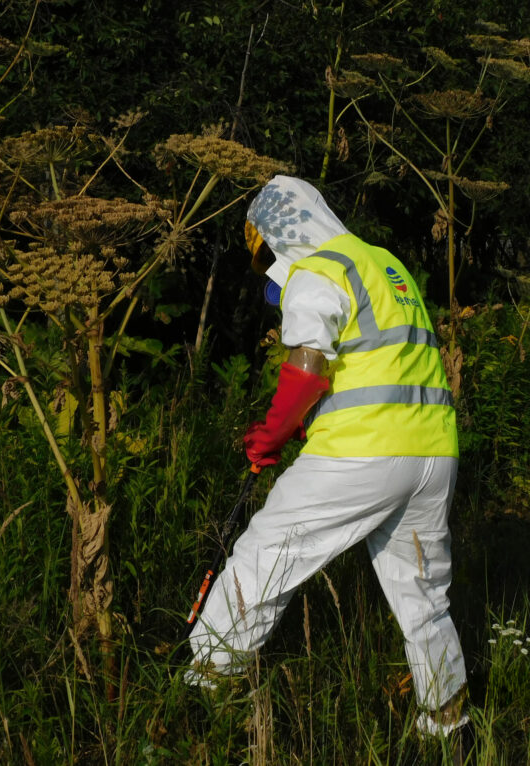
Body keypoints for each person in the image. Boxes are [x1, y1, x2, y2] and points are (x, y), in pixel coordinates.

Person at [186, 175, 469, 738]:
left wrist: (270, 436)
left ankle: (202, 699)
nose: (269, 268)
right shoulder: (384, 264)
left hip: (362, 455)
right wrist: (303, 422)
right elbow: (375, 365)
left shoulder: (318, 266)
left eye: (265, 253)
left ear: (279, 233)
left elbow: (308, 368)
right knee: (423, 599)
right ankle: (447, 726)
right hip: (434, 453)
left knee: (263, 559)